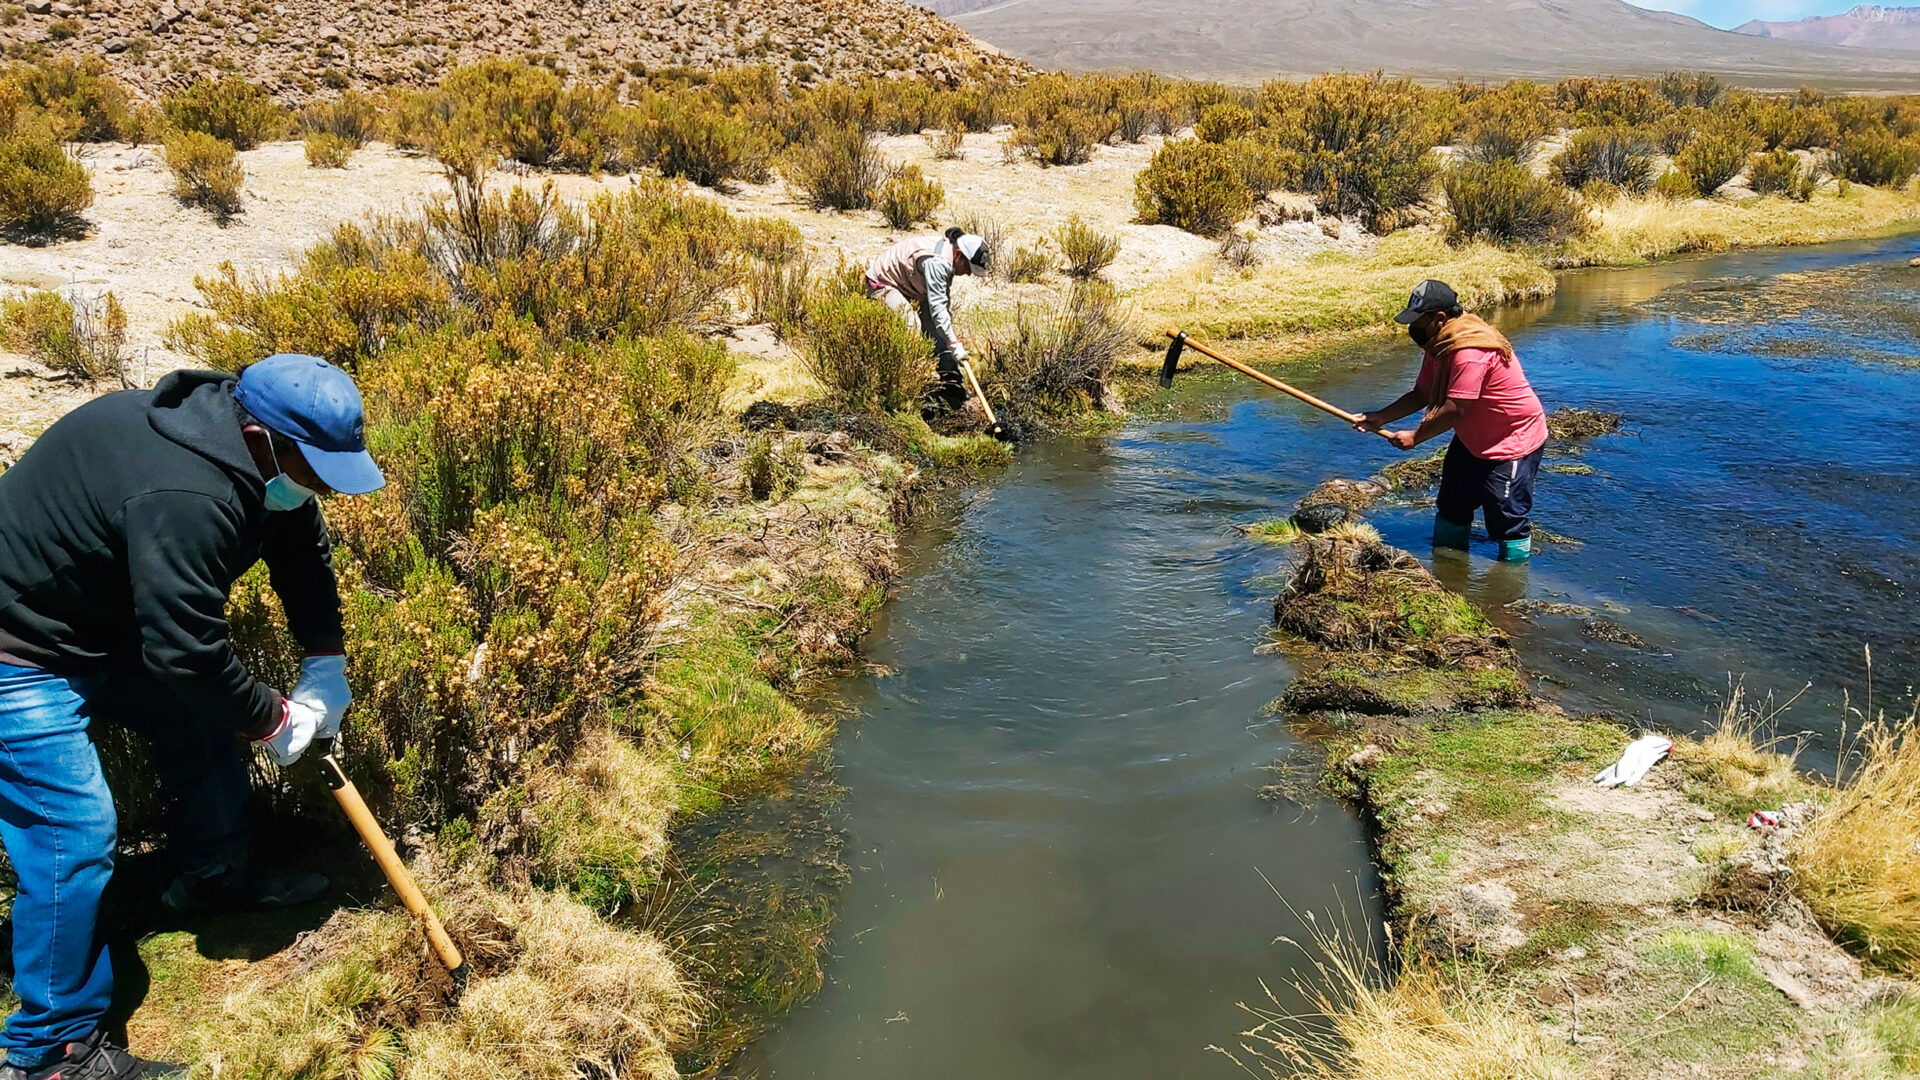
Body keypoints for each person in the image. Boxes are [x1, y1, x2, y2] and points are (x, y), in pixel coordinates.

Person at [0, 354, 385, 1080]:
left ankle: (211, 878)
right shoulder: (186, 489)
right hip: (15, 646)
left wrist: (325, 660)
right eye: (313, 471)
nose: (318, 489)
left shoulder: (255, 454)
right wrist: (274, 719)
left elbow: (300, 548)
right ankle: (51, 1054)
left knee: (202, 722)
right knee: (71, 834)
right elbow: (185, 653)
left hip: (98, 625)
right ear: (264, 435)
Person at [1356, 280, 1548, 563]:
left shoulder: (1469, 353)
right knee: (1452, 506)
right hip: (1472, 440)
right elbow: (1422, 393)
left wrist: (1415, 436)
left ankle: (1509, 591)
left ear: (1440, 319)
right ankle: (1448, 571)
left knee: (1506, 518)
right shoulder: (1440, 346)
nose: (1413, 330)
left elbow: (1455, 408)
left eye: (1417, 322)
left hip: (1512, 441)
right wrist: (1380, 417)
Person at [865, 226, 993, 411]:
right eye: (968, 267)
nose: (967, 274)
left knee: (937, 330)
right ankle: (902, 391)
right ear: (959, 255)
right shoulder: (938, 263)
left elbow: (941, 313)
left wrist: (950, 342)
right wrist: (955, 343)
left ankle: (952, 384)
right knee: (910, 325)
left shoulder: (949, 258)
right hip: (884, 283)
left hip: (913, 285)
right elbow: (939, 310)